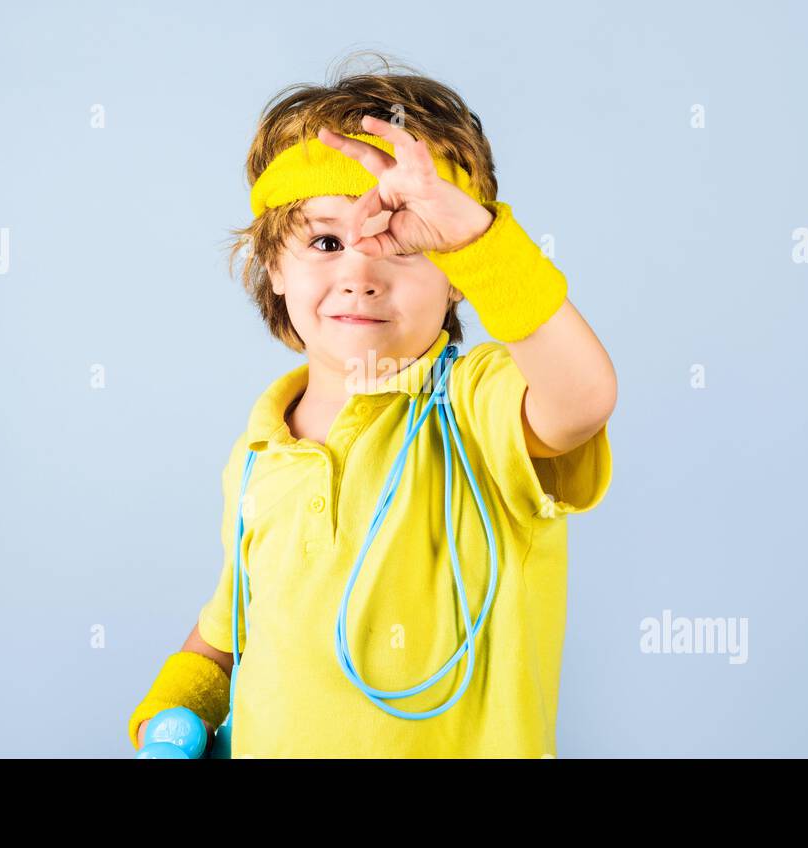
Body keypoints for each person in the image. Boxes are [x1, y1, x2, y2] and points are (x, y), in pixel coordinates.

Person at [128, 59, 616, 758]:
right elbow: (234, 620)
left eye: (406, 244)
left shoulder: (478, 404)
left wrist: (478, 241)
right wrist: (176, 703)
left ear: (456, 277)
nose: (360, 275)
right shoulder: (260, 449)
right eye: (325, 242)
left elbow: (583, 399)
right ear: (274, 266)